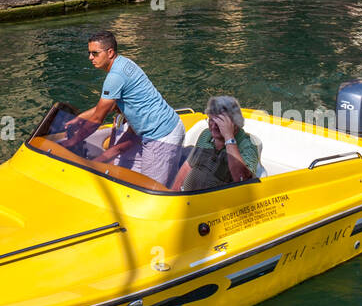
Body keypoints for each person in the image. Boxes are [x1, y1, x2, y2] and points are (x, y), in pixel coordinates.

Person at [63, 32, 187, 186]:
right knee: (135, 182)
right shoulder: (124, 63)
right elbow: (110, 105)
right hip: (158, 130)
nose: (90, 58)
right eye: (89, 53)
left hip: (160, 135)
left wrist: (72, 142)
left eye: (95, 53)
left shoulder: (115, 77)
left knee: (149, 190)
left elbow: (97, 119)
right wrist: (80, 118)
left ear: (110, 52)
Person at [172, 96, 260, 193]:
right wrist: (175, 190)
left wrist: (228, 137)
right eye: (211, 120)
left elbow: (241, 180)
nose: (213, 126)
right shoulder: (206, 134)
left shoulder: (248, 145)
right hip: (193, 197)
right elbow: (188, 165)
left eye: (219, 122)